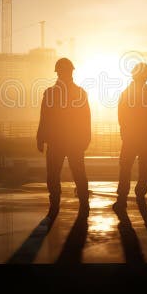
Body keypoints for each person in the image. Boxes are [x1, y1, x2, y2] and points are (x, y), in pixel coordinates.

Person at [37, 58, 91, 219]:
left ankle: (55, 204)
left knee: (54, 174)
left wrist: (41, 138)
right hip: (73, 141)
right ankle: (83, 203)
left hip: (57, 141)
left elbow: (44, 118)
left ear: (59, 73)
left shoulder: (50, 93)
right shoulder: (79, 92)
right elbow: (86, 118)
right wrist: (86, 138)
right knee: (78, 173)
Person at [113, 62, 147, 212]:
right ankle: (140, 196)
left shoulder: (127, 92)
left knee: (126, 166)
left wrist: (125, 131)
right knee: (143, 166)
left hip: (131, 136)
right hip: (145, 136)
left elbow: (121, 115)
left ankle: (122, 199)